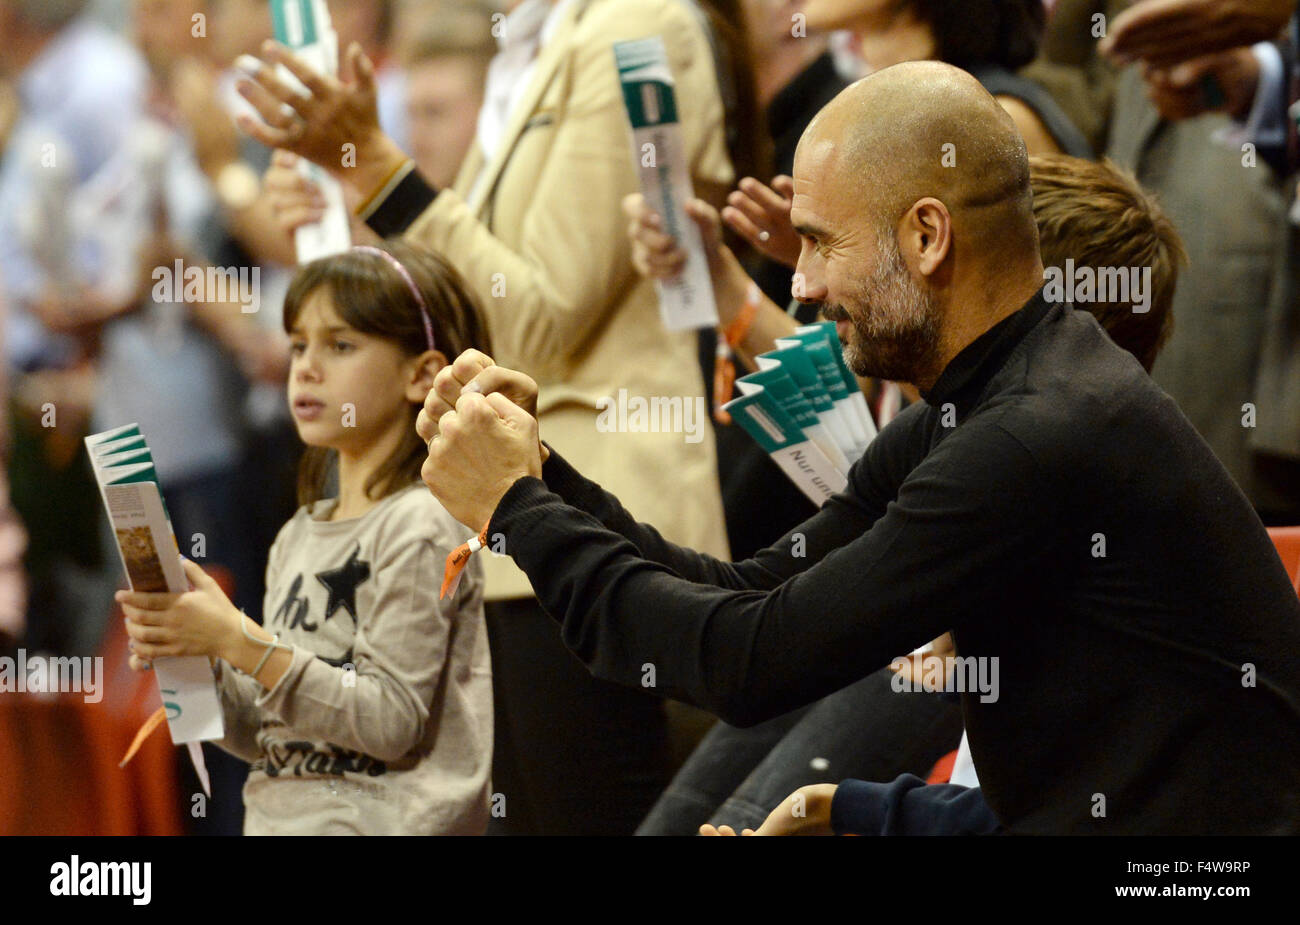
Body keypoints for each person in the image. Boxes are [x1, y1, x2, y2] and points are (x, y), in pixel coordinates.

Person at [419, 61, 1300, 834]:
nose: (801, 283)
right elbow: (751, 588)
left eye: (818, 241)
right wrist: (542, 474)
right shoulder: (994, 393)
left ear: (927, 235)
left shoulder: (1034, 433)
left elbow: (749, 662)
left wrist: (515, 510)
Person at [248, 0, 736, 835]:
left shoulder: (635, 25)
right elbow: (460, 295)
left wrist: (376, 165)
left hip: (598, 527)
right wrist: (344, 203)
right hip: (506, 534)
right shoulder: (531, 50)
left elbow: (539, 323)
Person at [629, 152, 1189, 834]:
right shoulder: (977, 408)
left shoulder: (1040, 438)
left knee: (756, 801)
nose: (924, 263)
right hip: (898, 643)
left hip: (932, 667)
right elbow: (758, 593)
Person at [119, 242, 494, 835]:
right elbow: (269, 735)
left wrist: (238, 638)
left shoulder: (421, 525)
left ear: (421, 374)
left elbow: (390, 723)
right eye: (297, 345)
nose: (307, 367)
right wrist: (195, 654)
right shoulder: (297, 534)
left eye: (339, 345)